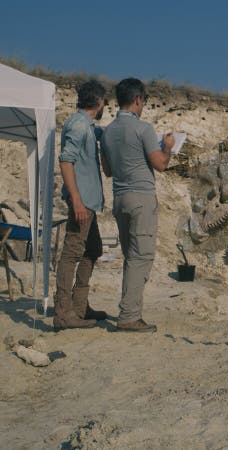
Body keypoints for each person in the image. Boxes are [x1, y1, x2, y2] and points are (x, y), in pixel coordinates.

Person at [101, 78, 174, 333]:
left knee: (131, 257)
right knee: (140, 256)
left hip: (119, 198)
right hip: (141, 198)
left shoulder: (107, 131)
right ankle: (129, 316)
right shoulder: (143, 129)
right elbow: (161, 164)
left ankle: (130, 311)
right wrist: (167, 146)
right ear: (138, 100)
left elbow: (108, 170)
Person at [53, 80, 109, 330]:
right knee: (72, 253)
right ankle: (64, 313)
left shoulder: (86, 126)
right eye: (105, 102)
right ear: (98, 102)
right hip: (82, 201)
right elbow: (66, 161)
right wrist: (76, 199)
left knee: (93, 249)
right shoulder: (77, 125)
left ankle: (80, 306)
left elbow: (101, 134)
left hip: (89, 202)